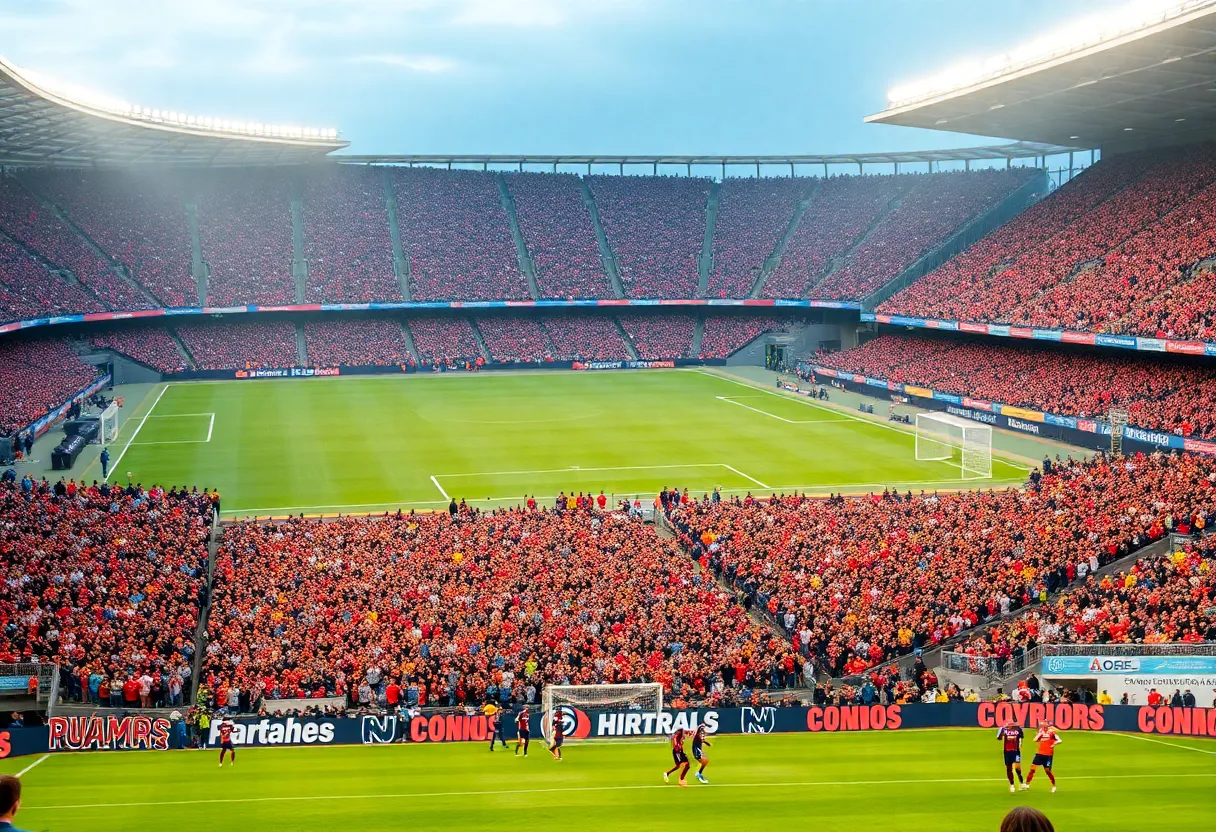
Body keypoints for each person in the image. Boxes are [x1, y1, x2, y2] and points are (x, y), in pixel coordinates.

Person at [1025, 720, 1060, 792]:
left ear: (1047, 725)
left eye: (1044, 723)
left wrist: (1053, 744)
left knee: (1048, 771)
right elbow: (1035, 740)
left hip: (1048, 755)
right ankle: (1027, 784)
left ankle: (1054, 786)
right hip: (1040, 753)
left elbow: (1059, 740)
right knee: (1032, 769)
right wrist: (1039, 735)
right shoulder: (1041, 731)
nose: (1043, 725)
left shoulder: (1051, 733)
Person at [997, 721, 1026, 793]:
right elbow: (999, 738)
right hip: (1007, 751)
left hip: (1016, 751)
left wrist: (1020, 744)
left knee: (1017, 767)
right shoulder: (1004, 729)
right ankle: (1012, 784)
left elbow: (1021, 737)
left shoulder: (1018, 729)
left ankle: (1021, 782)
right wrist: (1002, 731)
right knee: (1009, 768)